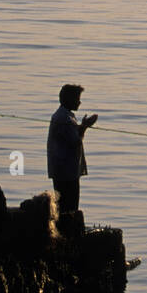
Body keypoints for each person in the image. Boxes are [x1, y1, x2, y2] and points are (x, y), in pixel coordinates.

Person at [47, 84, 97, 213]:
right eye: (77, 98)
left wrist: (83, 126)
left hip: (64, 170)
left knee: (65, 206)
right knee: (69, 208)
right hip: (66, 172)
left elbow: (71, 135)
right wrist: (85, 127)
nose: (79, 102)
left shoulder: (66, 115)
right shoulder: (64, 118)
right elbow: (75, 142)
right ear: (69, 99)